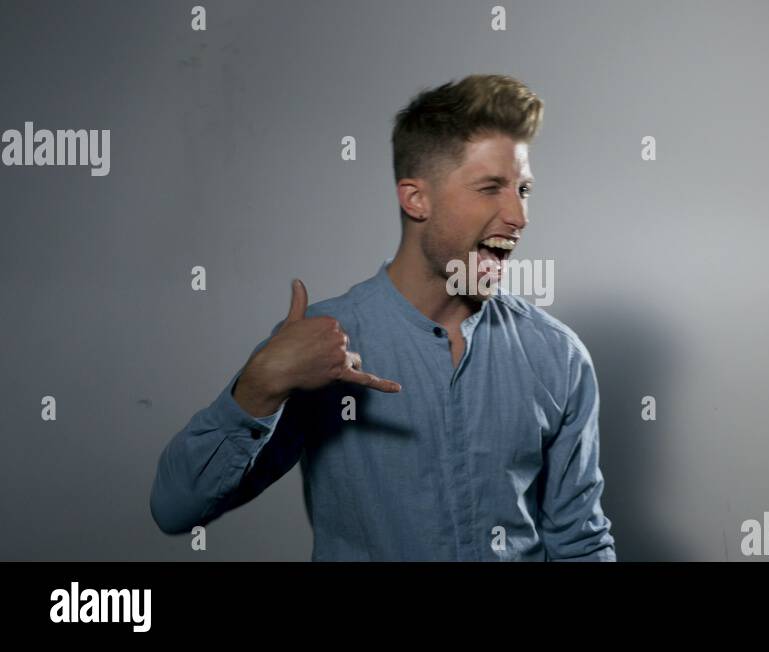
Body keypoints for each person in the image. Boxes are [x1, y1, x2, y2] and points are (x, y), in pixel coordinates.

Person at [150, 73, 616, 561]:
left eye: (523, 189)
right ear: (416, 199)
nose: (519, 216)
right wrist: (261, 385)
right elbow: (176, 508)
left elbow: (580, 542)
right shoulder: (319, 344)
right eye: (491, 188)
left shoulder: (557, 355)